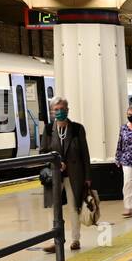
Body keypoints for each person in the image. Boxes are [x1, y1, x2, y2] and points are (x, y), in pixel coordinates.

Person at [39, 97, 91, 252]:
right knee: (54, 208)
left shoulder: (77, 128)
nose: (59, 112)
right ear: (52, 112)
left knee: (74, 207)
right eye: (56, 109)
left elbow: (85, 155)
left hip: (75, 175)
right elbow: (43, 153)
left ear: (67, 110)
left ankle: (76, 239)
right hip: (55, 176)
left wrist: (88, 177)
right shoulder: (48, 129)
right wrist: (55, 163)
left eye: (62, 108)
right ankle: (56, 240)